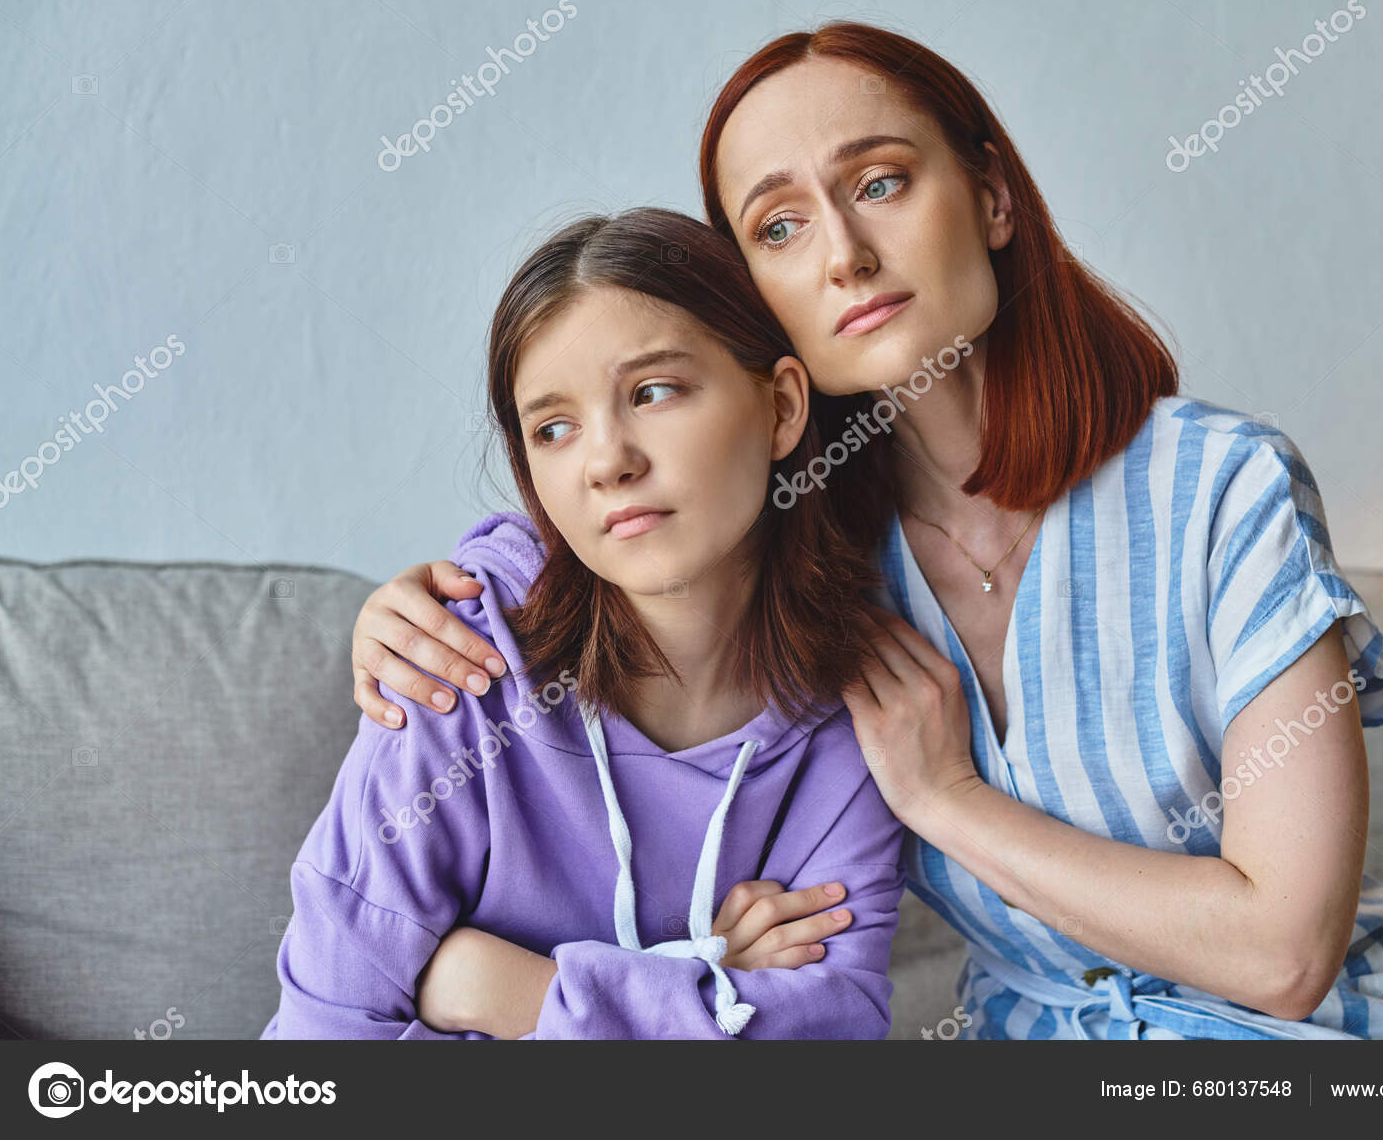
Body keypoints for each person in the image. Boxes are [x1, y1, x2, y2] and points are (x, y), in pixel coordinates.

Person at [343, 23, 1383, 1040]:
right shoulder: (794, 560)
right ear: (756, 308)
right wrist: (412, 608)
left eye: (881, 184)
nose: (843, 253)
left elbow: (1284, 956)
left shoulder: (1220, 491)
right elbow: (602, 554)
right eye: (780, 227)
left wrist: (948, 798)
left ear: (992, 197)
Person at [262, 208, 906, 1039]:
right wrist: (701, 985)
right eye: (553, 428)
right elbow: (325, 1031)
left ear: (782, 407)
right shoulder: (458, 664)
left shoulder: (859, 713)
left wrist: (512, 993)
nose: (607, 462)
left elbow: (831, 1044)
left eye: (653, 391)